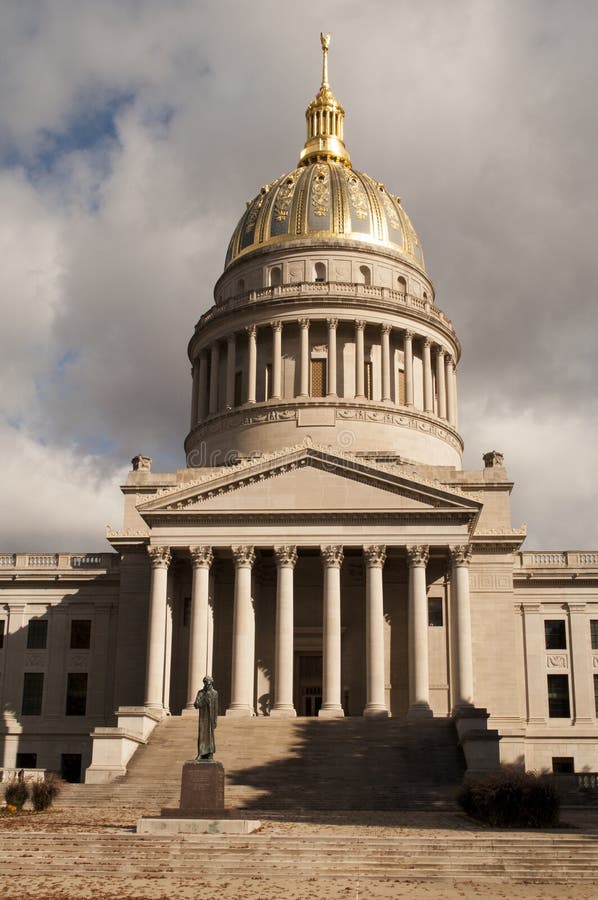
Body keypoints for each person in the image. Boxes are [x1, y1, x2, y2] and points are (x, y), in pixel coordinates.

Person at [194, 675, 218, 760]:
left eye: (209, 684)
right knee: (202, 734)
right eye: (206, 683)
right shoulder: (200, 693)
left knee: (210, 735)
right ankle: (201, 753)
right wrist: (204, 700)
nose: (207, 685)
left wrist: (215, 720)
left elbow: (215, 707)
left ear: (211, 683)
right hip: (203, 717)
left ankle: (210, 753)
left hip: (211, 717)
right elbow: (196, 705)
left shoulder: (215, 693)